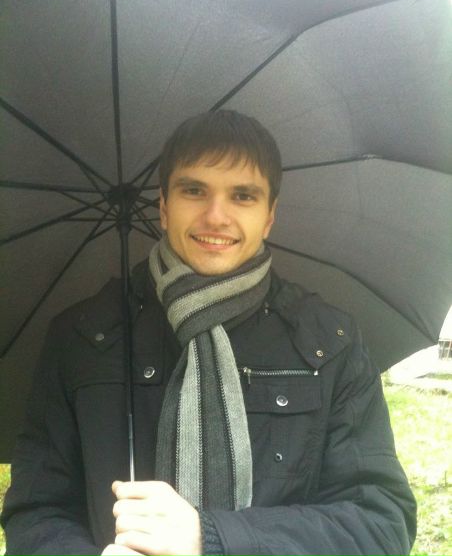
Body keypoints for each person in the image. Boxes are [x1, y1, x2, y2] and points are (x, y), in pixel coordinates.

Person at [1, 110, 416, 556]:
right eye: (194, 190)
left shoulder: (328, 342)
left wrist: (210, 537)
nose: (216, 216)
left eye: (243, 196)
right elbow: (36, 511)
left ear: (269, 216)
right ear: (164, 206)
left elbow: (380, 522)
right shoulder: (83, 338)